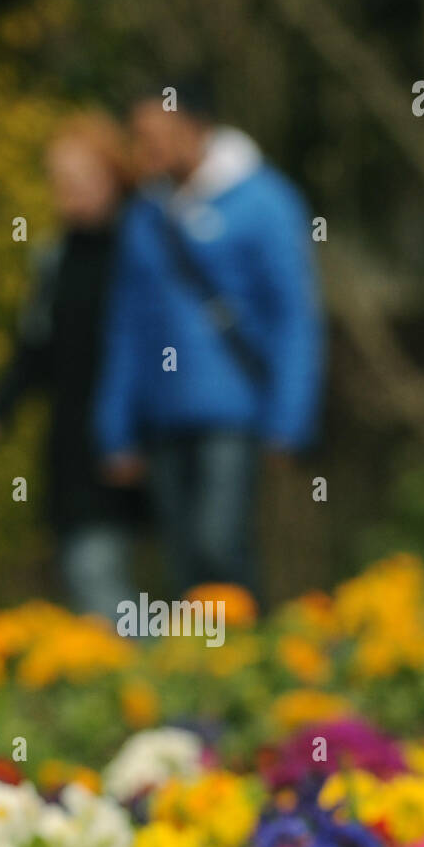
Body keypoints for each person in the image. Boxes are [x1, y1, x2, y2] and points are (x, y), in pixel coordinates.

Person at [94, 84, 325, 600]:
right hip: (163, 414)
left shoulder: (264, 200)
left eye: (154, 137)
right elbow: (126, 327)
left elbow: (293, 315)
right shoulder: (144, 217)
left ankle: (246, 654)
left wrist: (291, 415)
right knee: (180, 558)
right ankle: (197, 668)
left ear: (195, 129)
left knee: (219, 545)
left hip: (234, 411)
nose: (143, 151)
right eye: (138, 138)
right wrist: (115, 425)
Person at [0, 112, 144, 621]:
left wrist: (135, 432)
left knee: (151, 581)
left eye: (81, 180)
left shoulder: (146, 249)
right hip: (76, 445)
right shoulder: (55, 258)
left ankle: (162, 683)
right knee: (91, 573)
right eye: (58, 182)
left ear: (114, 175)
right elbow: (33, 351)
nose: (68, 193)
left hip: (145, 442)